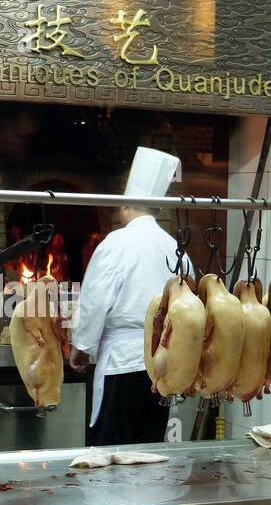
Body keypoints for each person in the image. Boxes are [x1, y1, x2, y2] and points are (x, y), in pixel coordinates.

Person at [68, 147, 188, 446]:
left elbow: (95, 300)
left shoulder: (117, 242)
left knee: (111, 453)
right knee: (148, 449)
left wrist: (81, 346)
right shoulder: (175, 248)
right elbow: (190, 305)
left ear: (125, 206)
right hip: (163, 364)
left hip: (122, 364)